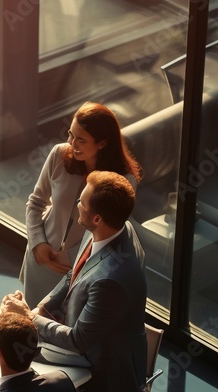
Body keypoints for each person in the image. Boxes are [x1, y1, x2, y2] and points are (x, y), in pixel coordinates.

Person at [3, 170, 146, 392]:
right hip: (99, 343)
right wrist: (40, 307)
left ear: (96, 218)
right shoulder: (113, 229)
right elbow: (73, 276)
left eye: (81, 201)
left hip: (103, 373)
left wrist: (29, 319)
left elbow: (79, 339)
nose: (74, 203)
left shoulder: (112, 277)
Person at [21, 102, 143, 306]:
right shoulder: (59, 154)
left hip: (78, 269)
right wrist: (38, 242)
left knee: (59, 329)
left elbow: (110, 231)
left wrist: (73, 258)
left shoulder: (123, 181)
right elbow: (35, 203)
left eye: (81, 139)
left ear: (102, 144)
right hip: (39, 257)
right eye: (71, 134)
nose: (72, 143)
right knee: (28, 319)